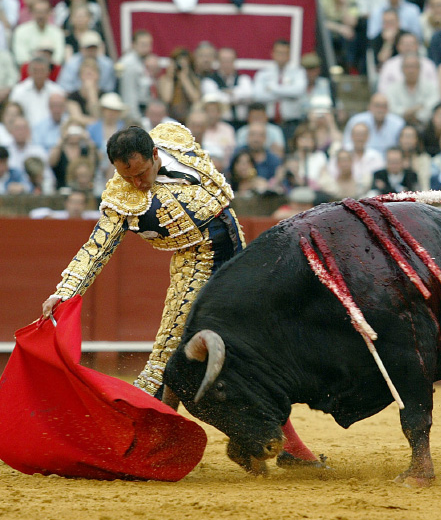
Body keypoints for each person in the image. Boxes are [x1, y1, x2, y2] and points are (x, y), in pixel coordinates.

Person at [39, 123, 323, 467]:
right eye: (126, 176)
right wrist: (66, 291)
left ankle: (276, 445)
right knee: (167, 357)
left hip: (238, 255)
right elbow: (96, 248)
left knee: (257, 352)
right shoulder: (120, 199)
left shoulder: (174, 137)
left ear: (155, 155)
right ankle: (141, 451)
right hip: (196, 268)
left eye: (141, 173)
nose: (136, 183)